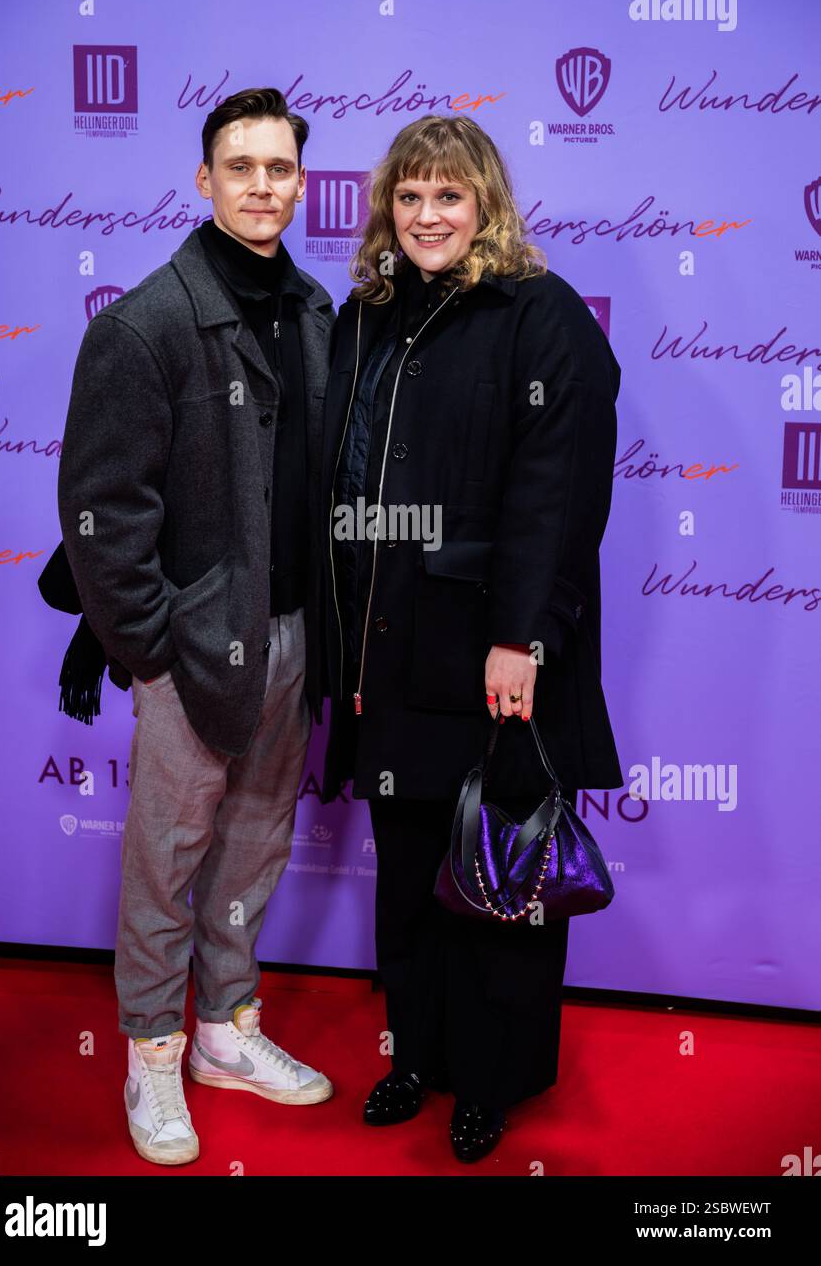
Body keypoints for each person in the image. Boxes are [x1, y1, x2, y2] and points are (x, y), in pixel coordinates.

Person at [320, 114, 623, 1163]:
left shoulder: (540, 319)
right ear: (385, 208)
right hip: (393, 658)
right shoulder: (369, 317)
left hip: (492, 659)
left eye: (447, 195)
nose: (425, 216)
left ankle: (487, 1083)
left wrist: (519, 640)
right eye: (408, 196)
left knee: (498, 880)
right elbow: (349, 493)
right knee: (407, 878)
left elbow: (555, 499)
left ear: (486, 202)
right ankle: (413, 1058)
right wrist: (349, 652)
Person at [57, 88, 336, 1166]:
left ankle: (224, 1030)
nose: (261, 185)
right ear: (203, 181)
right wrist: (148, 644)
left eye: (279, 169)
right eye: (241, 166)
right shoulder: (148, 322)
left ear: (299, 183)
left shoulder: (310, 309)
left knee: (255, 846)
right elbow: (101, 507)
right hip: (189, 644)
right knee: (165, 861)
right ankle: (150, 1051)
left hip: (293, 632)